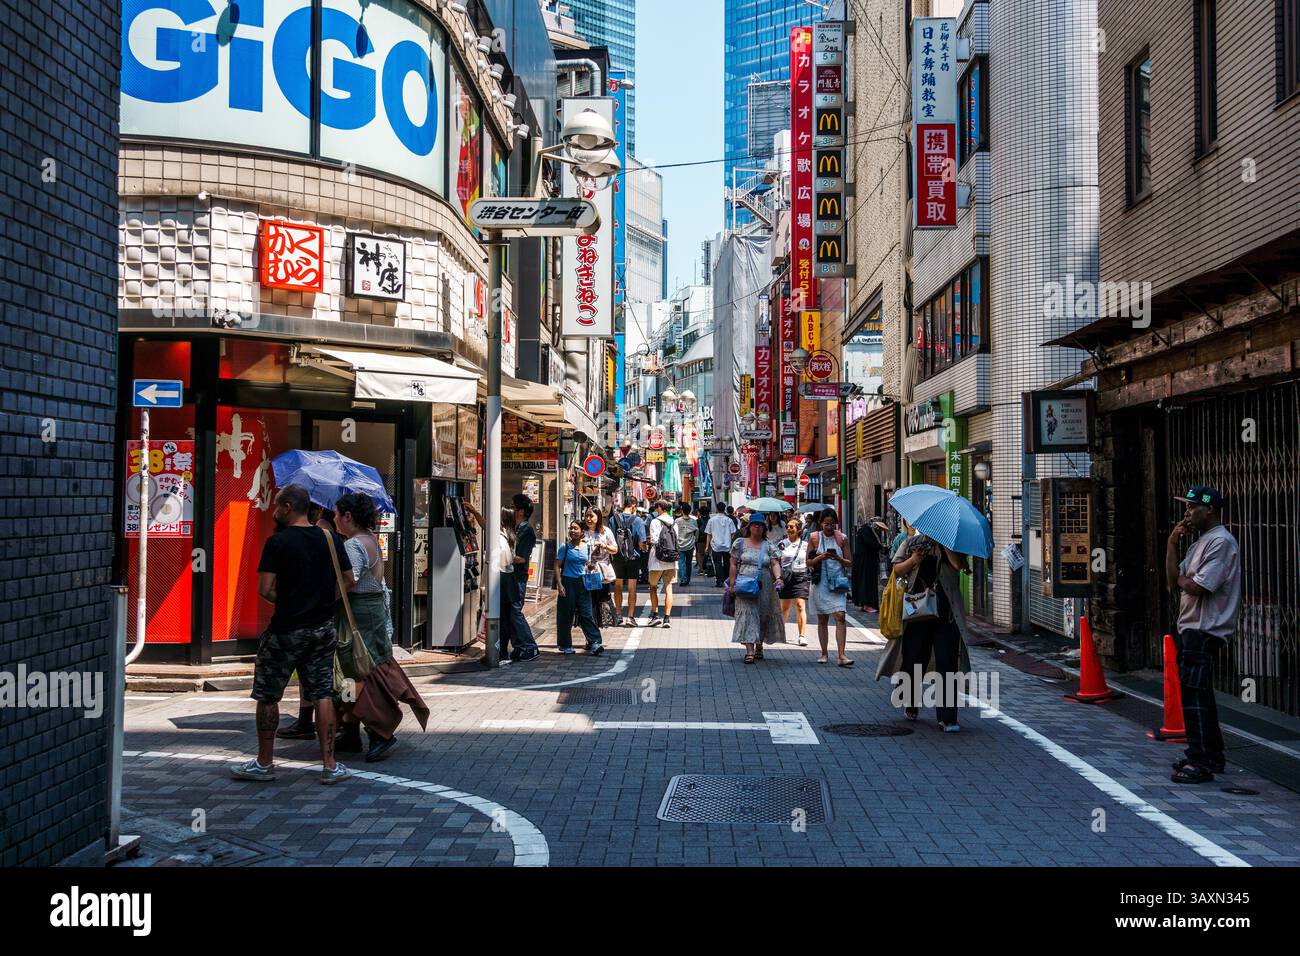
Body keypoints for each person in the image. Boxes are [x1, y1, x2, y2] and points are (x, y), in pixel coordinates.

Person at [235, 484, 351, 784]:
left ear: (288, 507)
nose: (274, 510)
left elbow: (265, 589)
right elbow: (349, 580)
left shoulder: (278, 543)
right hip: (322, 629)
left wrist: (290, 601)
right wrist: (325, 599)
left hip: (285, 629)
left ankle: (264, 763)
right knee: (323, 693)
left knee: (269, 694)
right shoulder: (329, 539)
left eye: (276, 505)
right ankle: (329, 765)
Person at [331, 492, 428, 762]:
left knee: (357, 672)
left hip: (357, 615)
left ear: (348, 517)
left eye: (337, 514)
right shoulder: (371, 540)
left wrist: (325, 601)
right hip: (372, 613)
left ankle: (376, 731)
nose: (335, 519)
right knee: (366, 670)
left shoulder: (353, 545)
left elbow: (350, 581)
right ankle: (350, 728)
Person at [1165, 485, 1242, 784]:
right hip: (1191, 627)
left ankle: (1201, 761)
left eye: (1192, 506)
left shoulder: (1221, 542)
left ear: (1209, 509)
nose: (1187, 512)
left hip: (1204, 628)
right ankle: (1211, 754)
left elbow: (1198, 586)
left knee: (1194, 697)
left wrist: (1186, 580)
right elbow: (1174, 580)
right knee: (1199, 695)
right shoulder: (1199, 544)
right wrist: (1172, 542)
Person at [890, 533, 972, 731]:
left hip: (946, 613)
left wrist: (945, 548)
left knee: (947, 661)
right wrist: (914, 559)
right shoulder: (912, 543)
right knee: (914, 659)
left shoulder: (953, 545)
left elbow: (959, 566)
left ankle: (948, 717)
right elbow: (897, 570)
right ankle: (910, 702)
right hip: (918, 611)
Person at [276, 503, 339, 741]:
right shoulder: (336, 534)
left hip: (310, 615)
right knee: (319, 677)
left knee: (310, 676)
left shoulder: (321, 531)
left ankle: (306, 723)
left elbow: (266, 587)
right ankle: (326, 749)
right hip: (324, 614)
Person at [729, 515, 784, 664]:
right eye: (754, 525)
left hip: (764, 584)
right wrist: (732, 584)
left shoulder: (769, 545)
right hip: (743, 584)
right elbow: (733, 563)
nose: (757, 527)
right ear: (749, 527)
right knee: (747, 615)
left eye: (760, 525)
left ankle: (759, 644)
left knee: (763, 614)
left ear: (764, 528)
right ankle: (749, 651)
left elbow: (774, 563)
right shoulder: (739, 543)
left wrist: (778, 578)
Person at [807, 508, 854, 667]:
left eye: (832, 524)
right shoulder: (814, 538)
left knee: (840, 615)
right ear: (821, 524)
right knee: (822, 618)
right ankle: (824, 653)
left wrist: (837, 558)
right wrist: (821, 556)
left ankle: (842, 655)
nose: (829, 527)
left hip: (837, 582)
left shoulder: (842, 538)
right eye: (826, 524)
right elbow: (808, 562)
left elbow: (849, 562)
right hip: (820, 583)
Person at [555, 520, 604, 655]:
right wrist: (559, 584)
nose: (572, 531)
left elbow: (588, 565)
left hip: (583, 583)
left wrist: (592, 563)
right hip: (567, 582)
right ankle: (565, 645)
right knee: (566, 614)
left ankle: (595, 642)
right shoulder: (564, 547)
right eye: (571, 528)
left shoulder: (587, 547)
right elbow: (557, 566)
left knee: (586, 613)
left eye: (575, 528)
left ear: (582, 531)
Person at [503, 494, 541, 662]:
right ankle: (519, 647)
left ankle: (529, 646)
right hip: (510, 576)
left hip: (518, 577)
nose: (510, 509)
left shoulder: (526, 530)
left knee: (515, 611)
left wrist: (502, 556)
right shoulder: (513, 526)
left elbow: (522, 558)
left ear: (521, 511)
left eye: (513, 506)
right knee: (510, 612)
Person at [609, 498, 647, 625]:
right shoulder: (638, 520)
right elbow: (641, 543)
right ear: (633, 506)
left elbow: (610, 539)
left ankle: (618, 615)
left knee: (618, 586)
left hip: (617, 557)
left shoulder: (613, 519)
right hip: (633, 557)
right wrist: (645, 549)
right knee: (632, 588)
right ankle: (630, 617)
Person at [776, 517, 811, 646]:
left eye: (792, 527)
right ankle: (780, 632)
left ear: (799, 530)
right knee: (784, 607)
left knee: (800, 605)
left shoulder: (806, 545)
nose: (789, 529)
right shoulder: (781, 544)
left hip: (801, 576)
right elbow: (776, 560)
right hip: (786, 577)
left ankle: (802, 635)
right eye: (788, 527)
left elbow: (810, 560)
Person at [583, 507, 618, 628]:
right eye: (587, 516)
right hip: (586, 572)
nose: (589, 519)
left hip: (601, 573)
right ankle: (592, 631)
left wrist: (604, 546)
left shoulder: (606, 531)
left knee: (602, 598)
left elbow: (615, 549)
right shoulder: (582, 531)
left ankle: (598, 628)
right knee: (589, 600)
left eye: (591, 516)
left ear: (598, 518)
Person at [646, 499, 679, 626]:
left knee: (653, 587)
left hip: (657, 559)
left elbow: (654, 540)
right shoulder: (674, 522)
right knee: (668, 588)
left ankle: (655, 616)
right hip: (671, 560)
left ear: (660, 508)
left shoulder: (655, 521)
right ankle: (667, 618)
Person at [852, 516, 888, 612]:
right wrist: (881, 546)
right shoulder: (866, 531)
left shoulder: (868, 530)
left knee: (869, 582)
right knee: (866, 582)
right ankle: (867, 604)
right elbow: (871, 544)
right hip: (864, 562)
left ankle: (868, 604)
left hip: (868, 561)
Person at [705, 504, 738, 587]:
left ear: (716, 508)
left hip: (715, 546)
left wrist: (707, 546)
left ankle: (719, 581)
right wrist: (729, 539)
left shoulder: (712, 520)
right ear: (724, 509)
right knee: (727, 564)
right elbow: (733, 533)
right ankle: (726, 580)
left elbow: (709, 534)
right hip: (727, 546)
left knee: (717, 564)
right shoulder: (729, 520)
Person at [674, 504, 698, 587]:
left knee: (681, 563)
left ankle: (683, 579)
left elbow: (674, 533)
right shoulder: (694, 521)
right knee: (689, 563)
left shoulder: (677, 521)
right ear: (690, 511)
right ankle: (687, 579)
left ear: (682, 511)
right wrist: (695, 540)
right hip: (690, 545)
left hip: (680, 545)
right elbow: (696, 532)